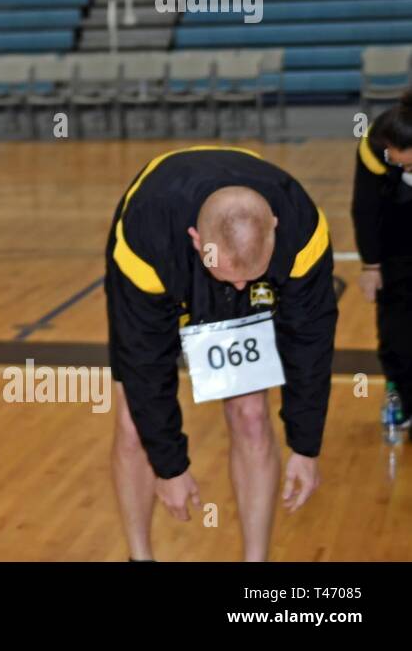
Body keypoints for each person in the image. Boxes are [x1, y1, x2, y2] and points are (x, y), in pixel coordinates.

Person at [105, 146, 336, 561]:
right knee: (133, 424)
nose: (242, 288)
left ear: (275, 230)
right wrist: (170, 466)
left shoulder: (303, 232)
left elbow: (310, 346)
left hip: (227, 252)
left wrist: (306, 447)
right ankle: (140, 556)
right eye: (230, 277)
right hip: (168, 268)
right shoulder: (146, 237)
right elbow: (145, 368)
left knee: (250, 414)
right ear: (198, 241)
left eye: (253, 276)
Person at [352, 89, 412, 431]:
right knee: (396, 329)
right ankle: (402, 399)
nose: (398, 162)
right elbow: (365, 206)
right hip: (396, 240)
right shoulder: (376, 145)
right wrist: (371, 265)